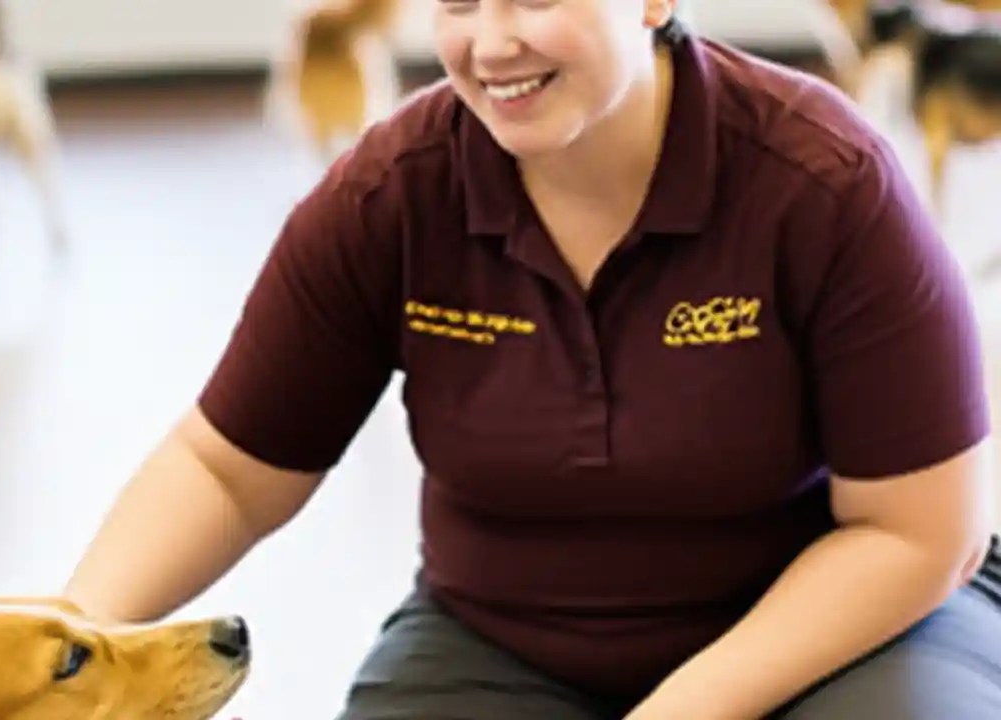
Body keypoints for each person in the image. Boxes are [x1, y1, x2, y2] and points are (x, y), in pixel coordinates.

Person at [63, 0, 1001, 717]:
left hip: (846, 639)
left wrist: (680, 710)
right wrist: (59, 640)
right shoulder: (390, 196)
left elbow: (920, 533)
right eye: (461, 2)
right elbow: (227, 469)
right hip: (507, 641)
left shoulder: (826, 184)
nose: (492, 44)